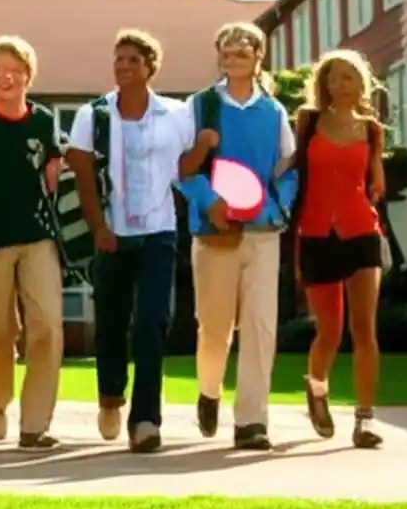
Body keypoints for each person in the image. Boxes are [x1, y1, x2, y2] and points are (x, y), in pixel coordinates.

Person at [65, 29, 189, 453]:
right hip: (112, 231)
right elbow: (82, 177)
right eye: (118, 59)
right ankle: (111, 395)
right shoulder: (94, 115)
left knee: (152, 323)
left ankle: (146, 421)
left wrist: (206, 147)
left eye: (133, 59)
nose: (124, 66)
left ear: (150, 66)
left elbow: (186, 168)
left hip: (159, 232)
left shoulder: (177, 114)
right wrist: (99, 226)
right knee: (112, 324)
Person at [177, 23, 296, 450]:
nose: (235, 54)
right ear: (219, 57)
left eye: (243, 48)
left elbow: (288, 168)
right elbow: (182, 166)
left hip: (264, 232)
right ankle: (209, 391)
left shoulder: (275, 112)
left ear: (258, 56)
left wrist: (276, 207)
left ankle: (251, 421)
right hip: (214, 232)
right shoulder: (199, 106)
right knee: (214, 328)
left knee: (261, 326)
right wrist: (209, 201)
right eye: (227, 49)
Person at [0, 36, 64, 450]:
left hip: (38, 237)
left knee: (48, 326)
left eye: (16, 70)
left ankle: (34, 424)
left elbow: (54, 174)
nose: (7, 77)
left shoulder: (43, 121)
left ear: (28, 76)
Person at [290, 49, 387, 449]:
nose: (338, 84)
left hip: (361, 232)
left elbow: (375, 181)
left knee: (363, 328)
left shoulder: (372, 129)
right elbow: (295, 171)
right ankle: (317, 389)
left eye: (347, 76)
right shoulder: (308, 122)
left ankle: (364, 419)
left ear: (361, 82)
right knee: (328, 332)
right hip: (315, 234)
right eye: (332, 78)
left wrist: (377, 183)